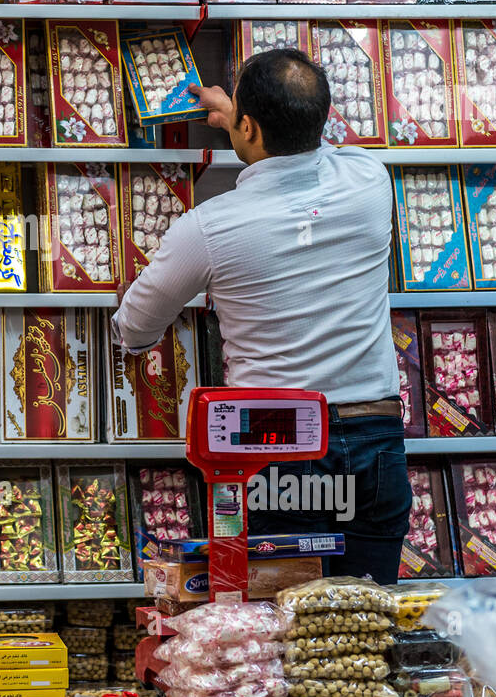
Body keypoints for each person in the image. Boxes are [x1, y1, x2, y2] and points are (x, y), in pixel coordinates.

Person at [111, 48, 408, 584]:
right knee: (369, 623)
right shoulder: (370, 181)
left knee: (274, 628)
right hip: (373, 435)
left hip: (277, 445)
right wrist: (245, 121)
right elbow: (316, 144)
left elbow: (134, 326)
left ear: (247, 126)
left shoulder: (208, 228)